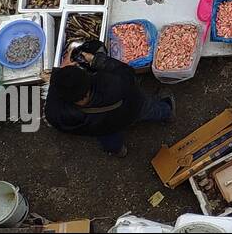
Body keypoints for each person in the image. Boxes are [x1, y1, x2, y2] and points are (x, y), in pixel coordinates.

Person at [44, 41, 173, 156]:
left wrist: (60, 76)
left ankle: (117, 150)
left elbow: (55, 96)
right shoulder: (111, 83)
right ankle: (167, 112)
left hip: (101, 127)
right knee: (151, 109)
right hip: (132, 109)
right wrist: (96, 60)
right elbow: (127, 73)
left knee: (109, 137)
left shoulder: (56, 113)